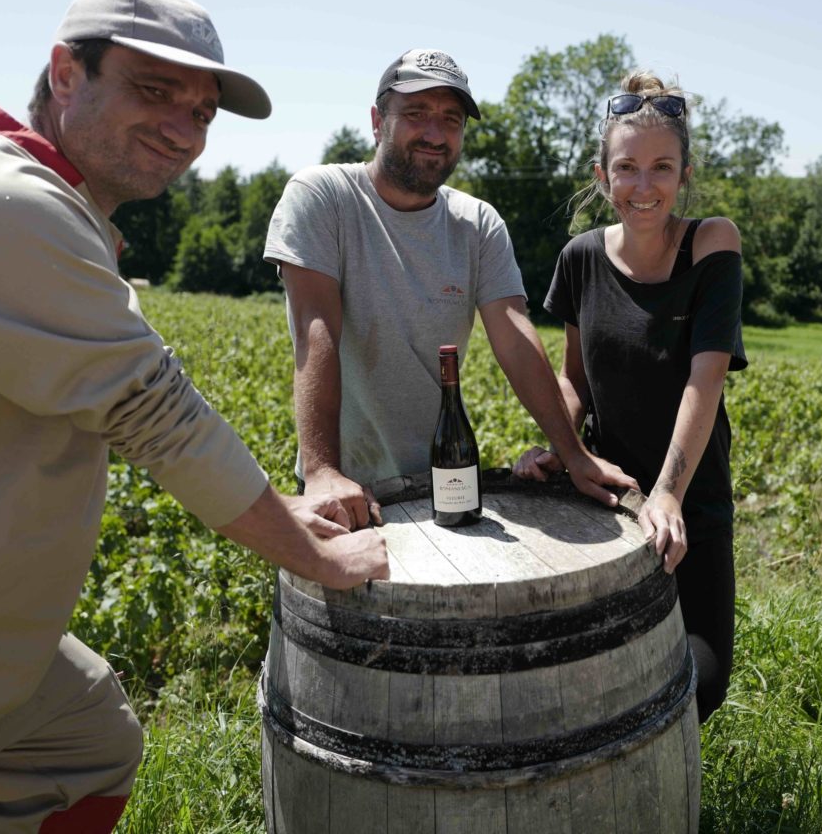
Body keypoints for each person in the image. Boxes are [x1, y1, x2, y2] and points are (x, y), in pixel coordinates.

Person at [0, 0, 388, 830]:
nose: (185, 129)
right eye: (153, 90)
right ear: (66, 73)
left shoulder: (43, 200)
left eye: (202, 111)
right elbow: (150, 408)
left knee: (87, 743)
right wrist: (313, 555)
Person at [264, 49, 637, 528]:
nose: (435, 134)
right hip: (346, 490)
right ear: (378, 121)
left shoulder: (477, 224)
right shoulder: (324, 197)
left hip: (446, 480)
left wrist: (574, 453)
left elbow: (516, 339)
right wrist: (322, 472)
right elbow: (316, 330)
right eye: (416, 114)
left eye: (451, 119)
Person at [512, 72, 747, 724]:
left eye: (661, 167)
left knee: (699, 683)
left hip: (690, 504)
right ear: (602, 173)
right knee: (593, 682)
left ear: (685, 173)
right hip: (607, 504)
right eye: (627, 168)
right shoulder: (580, 257)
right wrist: (556, 447)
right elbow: (574, 384)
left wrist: (670, 492)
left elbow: (708, 379)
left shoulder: (712, 244)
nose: (644, 187)